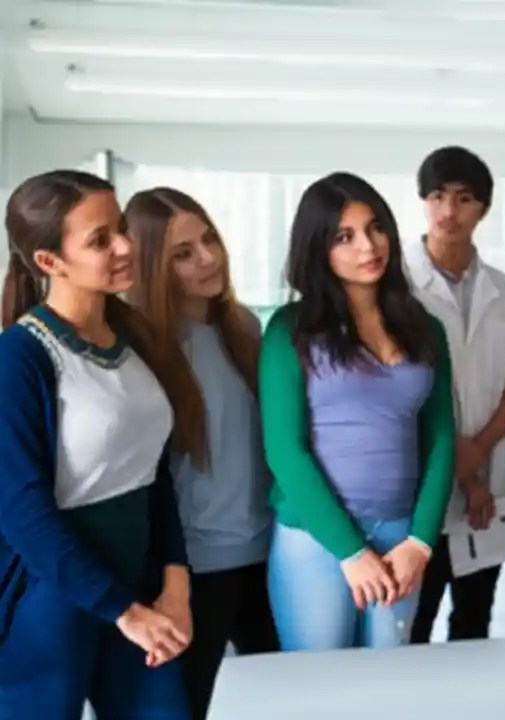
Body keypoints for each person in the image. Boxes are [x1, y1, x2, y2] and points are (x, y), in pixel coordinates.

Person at [0, 170, 196, 718]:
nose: (125, 246)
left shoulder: (132, 338)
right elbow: (20, 511)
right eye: (99, 239)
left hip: (141, 589)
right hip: (53, 595)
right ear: (49, 262)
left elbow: (154, 476)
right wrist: (125, 611)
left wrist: (174, 585)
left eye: (121, 228)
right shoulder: (19, 358)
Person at [259, 172, 455, 651]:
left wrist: (421, 543)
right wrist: (350, 551)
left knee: (388, 691)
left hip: (401, 540)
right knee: (321, 692)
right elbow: (285, 451)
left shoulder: (425, 329)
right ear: (317, 248)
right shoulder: (289, 330)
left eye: (375, 228)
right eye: (344, 237)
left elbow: (442, 437)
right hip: (317, 541)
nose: (368, 246)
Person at [125, 187, 280, 719]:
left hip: (268, 554)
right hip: (192, 568)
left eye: (208, 238)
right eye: (183, 254)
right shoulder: (139, 346)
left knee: (288, 698)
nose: (208, 258)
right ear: (152, 266)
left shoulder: (247, 330)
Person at [404, 146, 505, 643]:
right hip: (419, 480)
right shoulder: (395, 285)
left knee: (474, 623)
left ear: (483, 208)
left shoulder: (504, 292)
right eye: (437, 196)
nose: (448, 211)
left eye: (463, 199)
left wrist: (478, 451)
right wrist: (463, 467)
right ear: (423, 200)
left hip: (487, 481)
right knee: (412, 626)